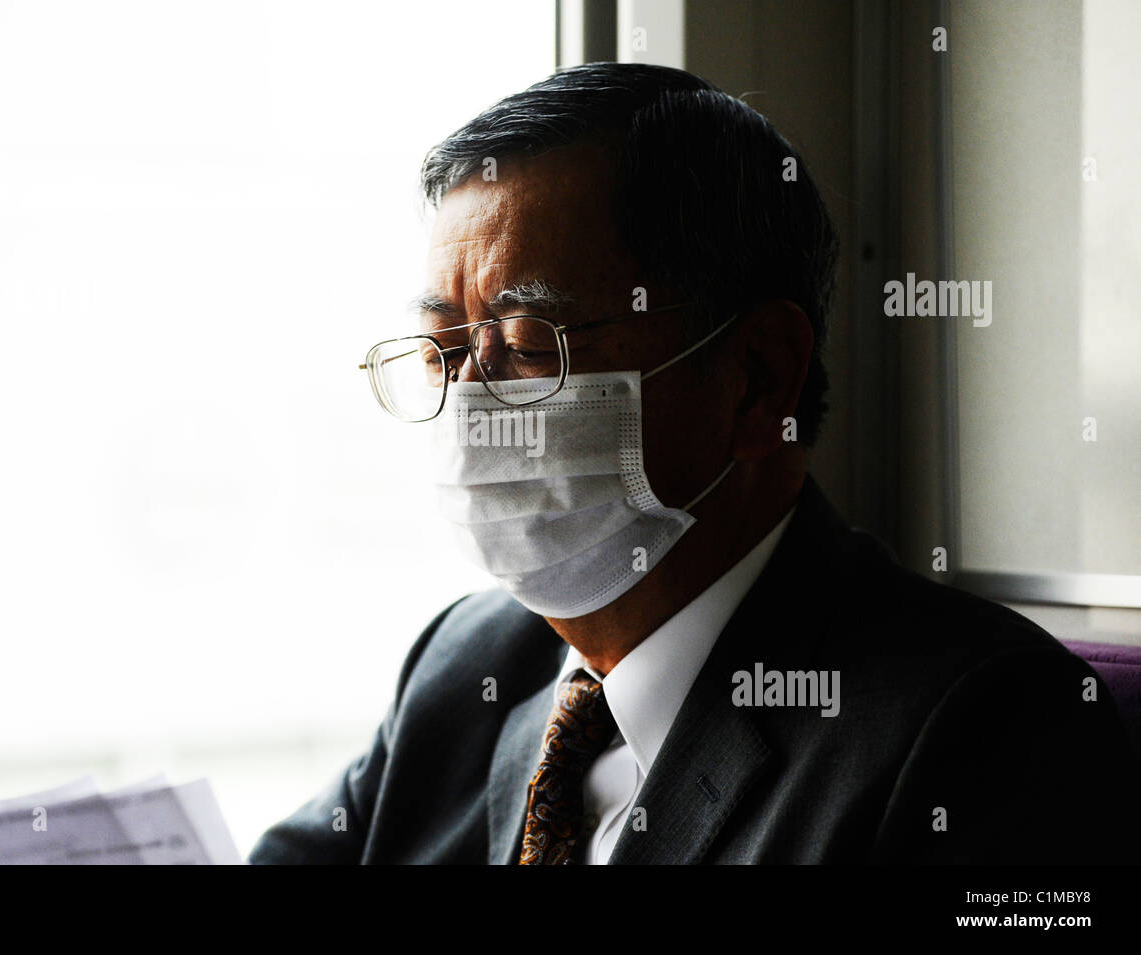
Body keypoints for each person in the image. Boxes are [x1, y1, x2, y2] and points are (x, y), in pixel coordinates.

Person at [249, 62, 1141, 864]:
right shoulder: (469, 661)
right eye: (444, 353)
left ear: (757, 378)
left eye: (525, 348)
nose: (472, 411)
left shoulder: (983, 732)